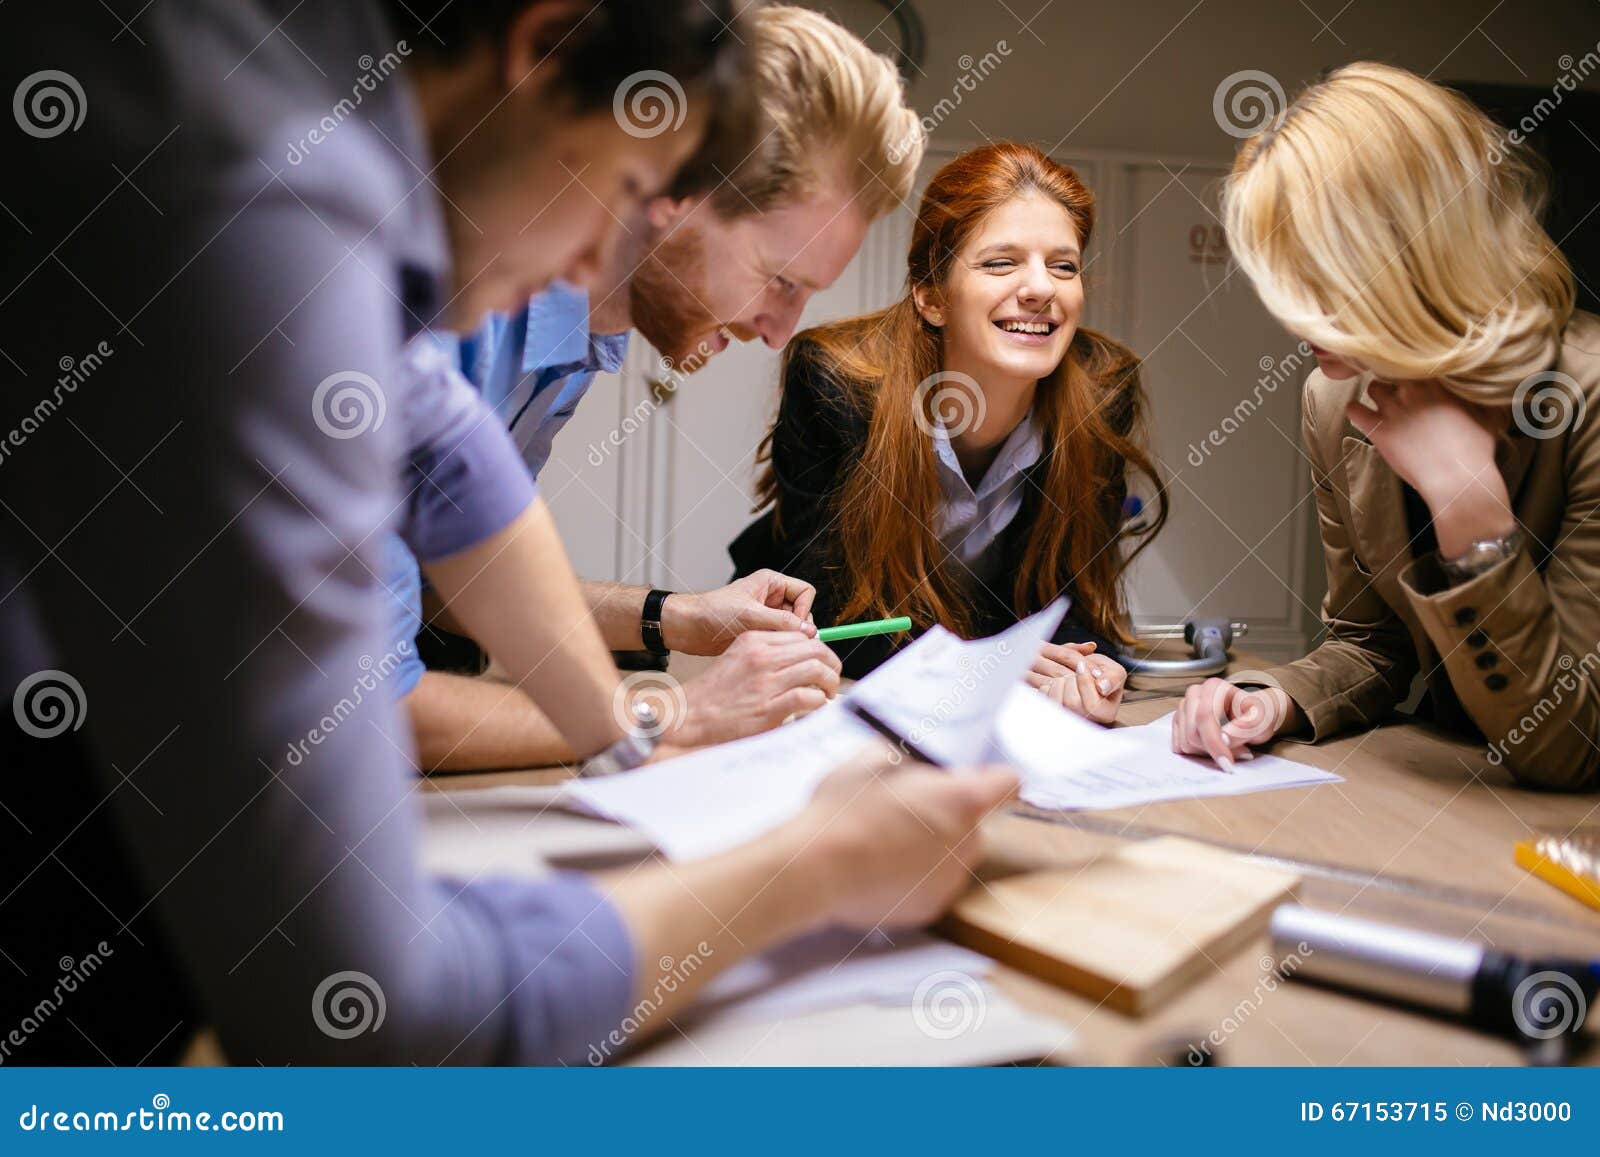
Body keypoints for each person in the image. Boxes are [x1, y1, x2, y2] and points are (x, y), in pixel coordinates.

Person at [0, 0, 1013, 1067]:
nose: (591, 273)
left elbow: (449, 458)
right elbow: (373, 1017)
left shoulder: (301, 128)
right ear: (542, 48)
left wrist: (628, 730)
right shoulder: (266, 199)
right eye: (624, 194)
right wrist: (807, 866)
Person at [386, 6, 926, 770]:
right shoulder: (443, 295)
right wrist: (678, 712)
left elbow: (444, 571)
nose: (780, 332)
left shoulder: (578, 341)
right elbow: (364, 707)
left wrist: (674, 618)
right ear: (678, 189)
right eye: (778, 279)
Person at [1171, 63, 1598, 792]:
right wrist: (1281, 697)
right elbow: (1372, 642)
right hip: (1448, 797)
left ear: (1418, 251)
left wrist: (1471, 512)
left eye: (1315, 273)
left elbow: (1568, 743)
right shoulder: (1331, 401)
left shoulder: (1589, 393)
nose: (1290, 316)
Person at [731, 143, 1168, 724]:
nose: (1042, 288)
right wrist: (976, 666)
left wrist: (1088, 667)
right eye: (1000, 263)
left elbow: (1076, 598)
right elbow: (829, 619)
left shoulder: (1105, 391)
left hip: (992, 696)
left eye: (1063, 265)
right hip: (843, 671)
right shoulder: (836, 381)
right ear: (932, 297)